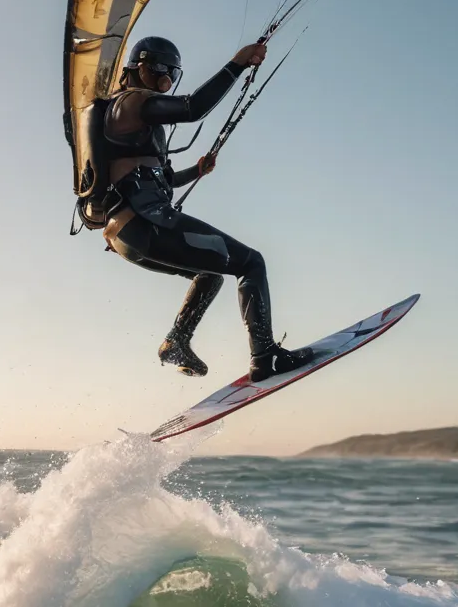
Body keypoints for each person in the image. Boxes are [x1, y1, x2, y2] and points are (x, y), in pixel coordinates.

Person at [101, 35, 313, 383]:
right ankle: (265, 358)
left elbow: (153, 182)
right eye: (161, 70)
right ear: (140, 66)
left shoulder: (135, 120)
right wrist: (237, 63)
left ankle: (176, 341)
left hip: (128, 232)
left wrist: (195, 172)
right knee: (251, 262)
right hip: (144, 225)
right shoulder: (131, 103)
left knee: (210, 275)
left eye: (173, 71)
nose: (167, 78)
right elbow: (191, 108)